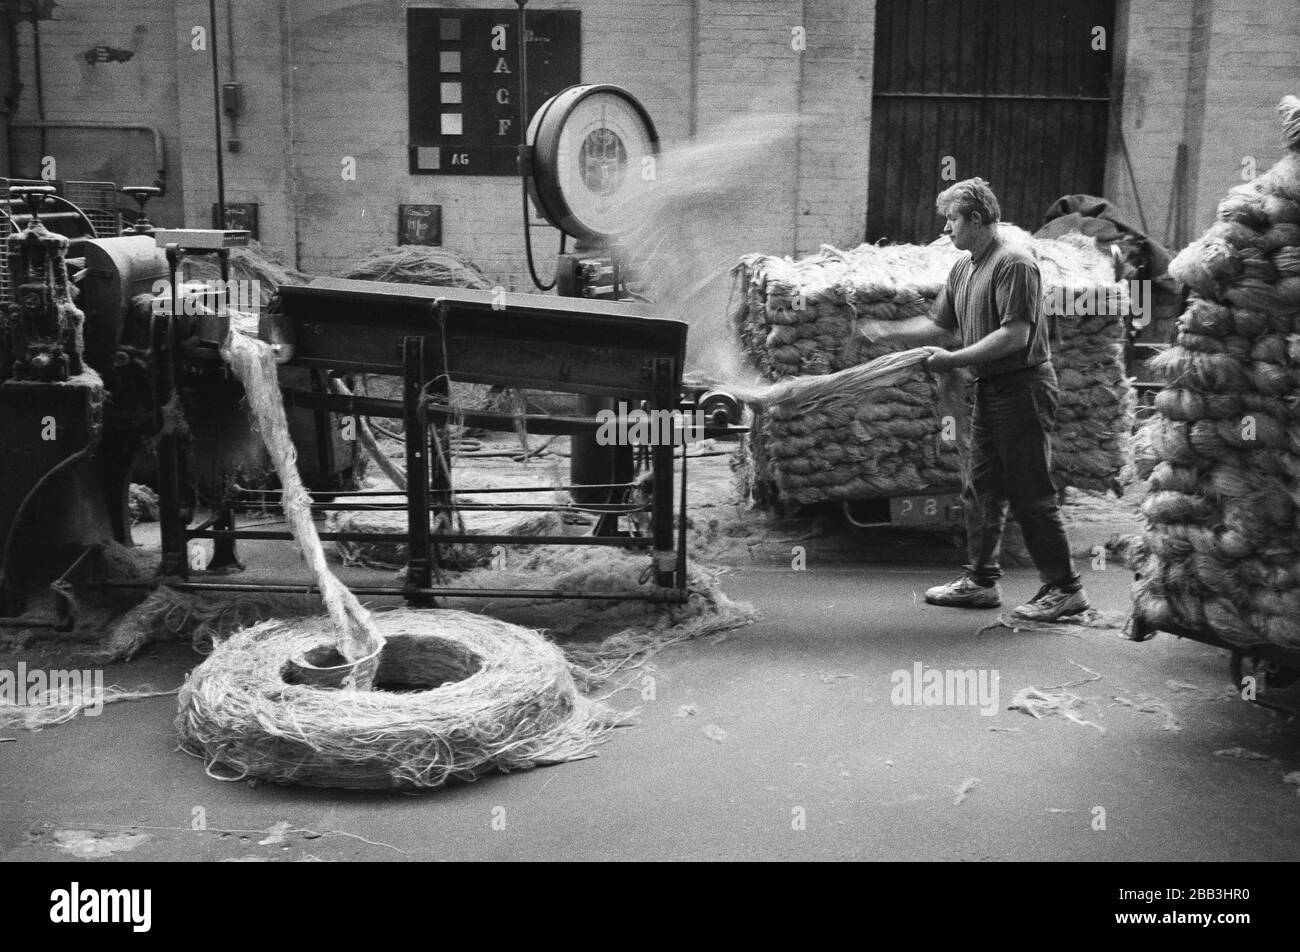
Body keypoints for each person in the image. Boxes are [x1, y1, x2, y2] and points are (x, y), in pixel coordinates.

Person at [857, 177, 1088, 622]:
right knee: (980, 487)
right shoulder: (964, 268)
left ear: (976, 219)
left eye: (952, 220)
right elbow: (937, 325)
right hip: (990, 390)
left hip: (1023, 388)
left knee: (1030, 493)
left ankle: (1065, 589)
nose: (946, 229)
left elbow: (1014, 336)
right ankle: (980, 581)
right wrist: (888, 332)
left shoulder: (1014, 264)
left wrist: (952, 361)